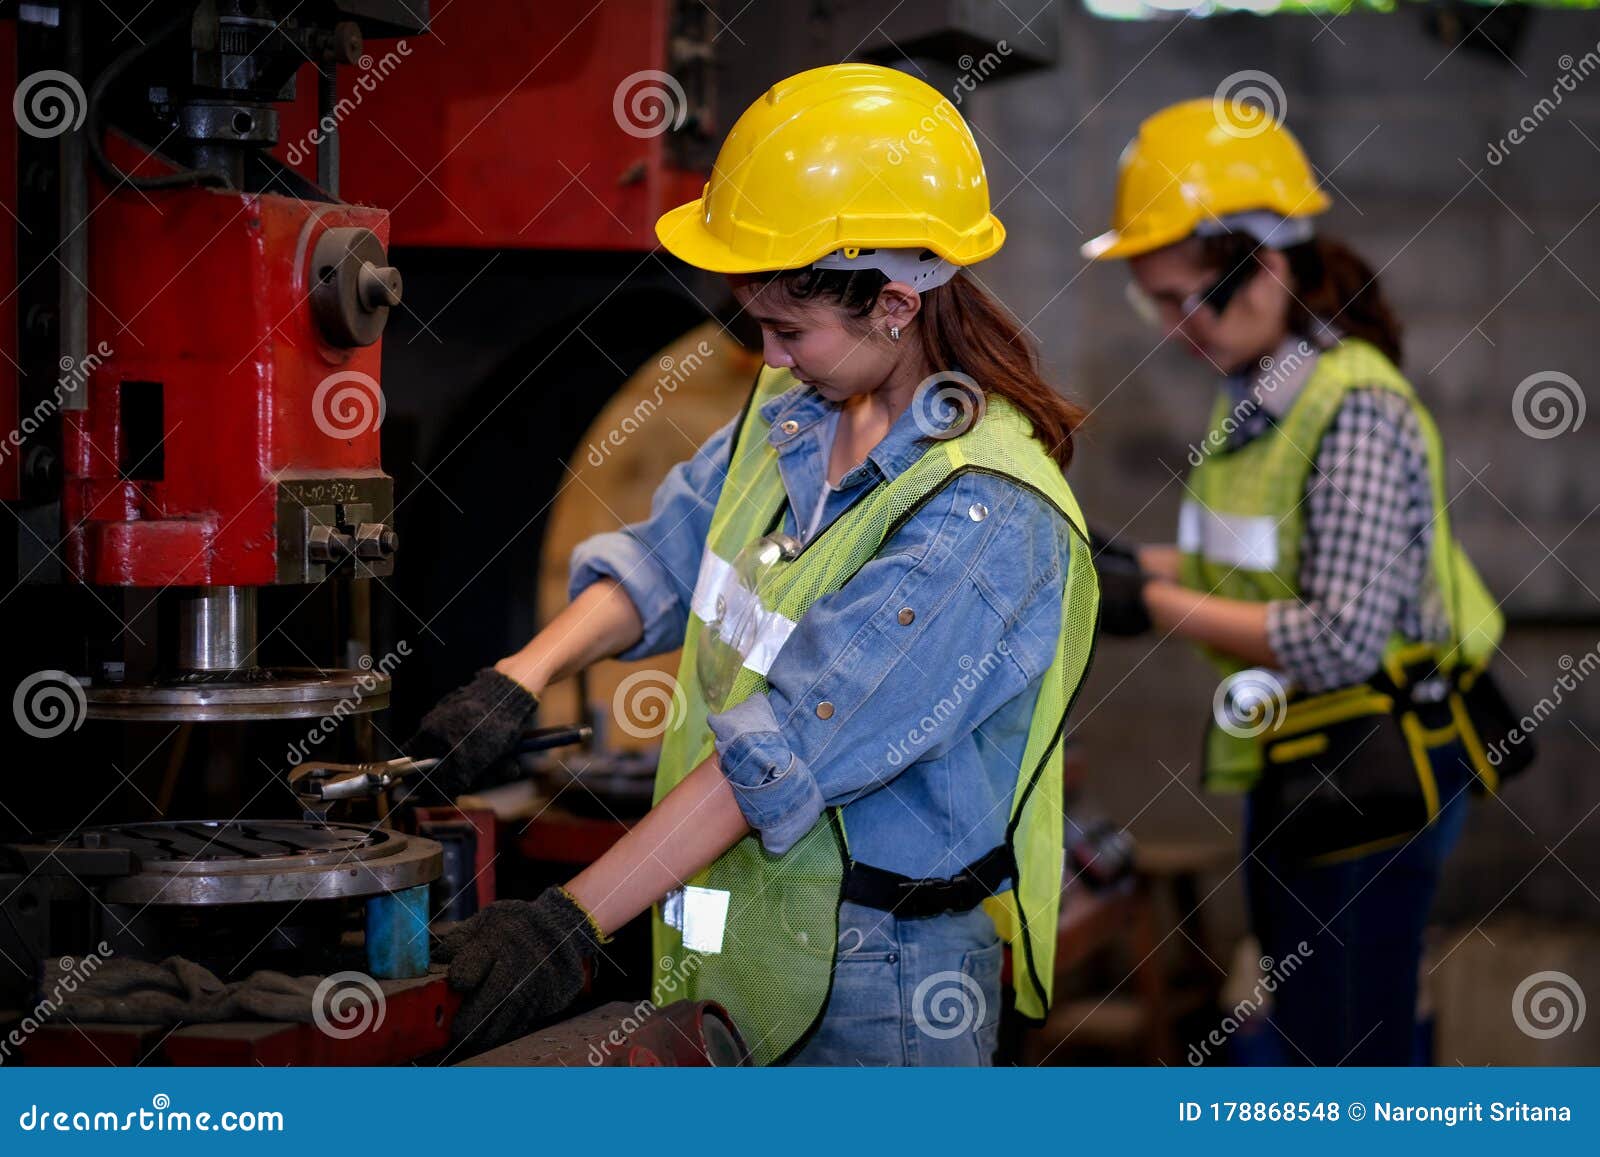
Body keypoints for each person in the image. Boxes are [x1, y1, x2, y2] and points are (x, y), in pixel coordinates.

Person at [406, 63, 1100, 1067]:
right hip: (730, 936)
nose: (769, 358)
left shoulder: (982, 512)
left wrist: (566, 920)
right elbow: (664, 555)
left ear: (896, 304)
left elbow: (788, 745)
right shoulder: (790, 419)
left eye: (789, 329)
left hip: (878, 983)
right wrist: (518, 679)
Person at [1081, 98, 1521, 1065]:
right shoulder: (1257, 399)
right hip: (1307, 753)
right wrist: (1114, 558)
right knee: (1328, 1013)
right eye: (1151, 300)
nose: (1170, 326)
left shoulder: (1352, 404)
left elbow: (1339, 636)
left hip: (1374, 761)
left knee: (1346, 1035)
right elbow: (1245, 567)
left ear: (1264, 265)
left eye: (1185, 295)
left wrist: (1147, 600)